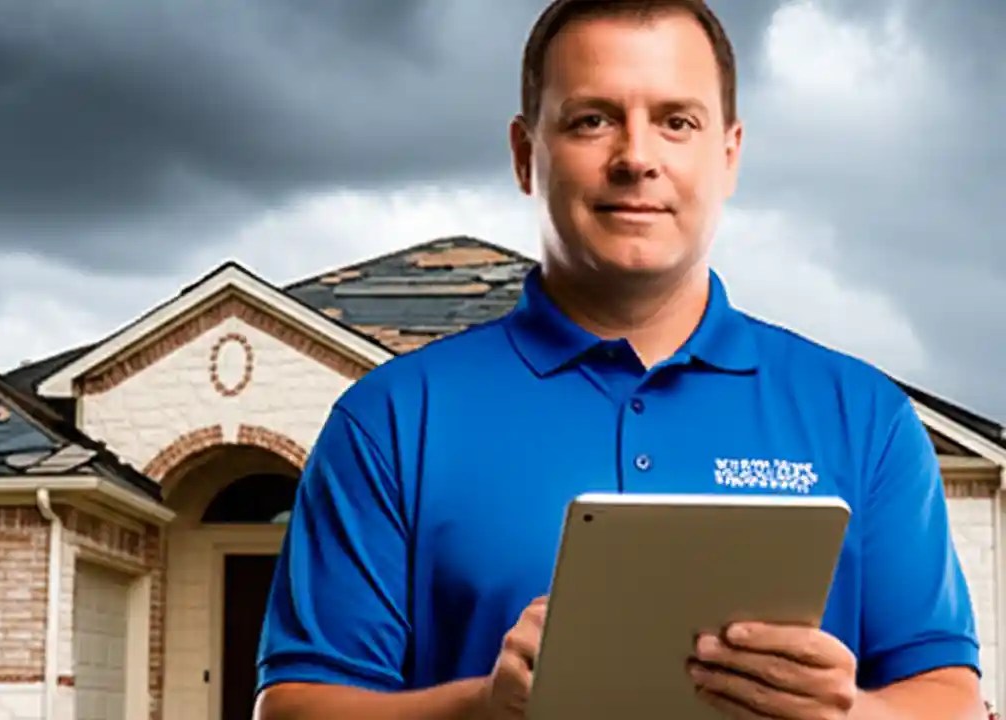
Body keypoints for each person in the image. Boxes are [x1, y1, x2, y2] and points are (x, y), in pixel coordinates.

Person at [252, 0, 985, 717]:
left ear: (728, 154)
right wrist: (482, 707)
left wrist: (850, 714)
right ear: (523, 154)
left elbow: (952, 699)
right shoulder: (390, 421)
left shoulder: (863, 417)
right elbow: (292, 708)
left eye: (676, 122)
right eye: (592, 119)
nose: (637, 158)